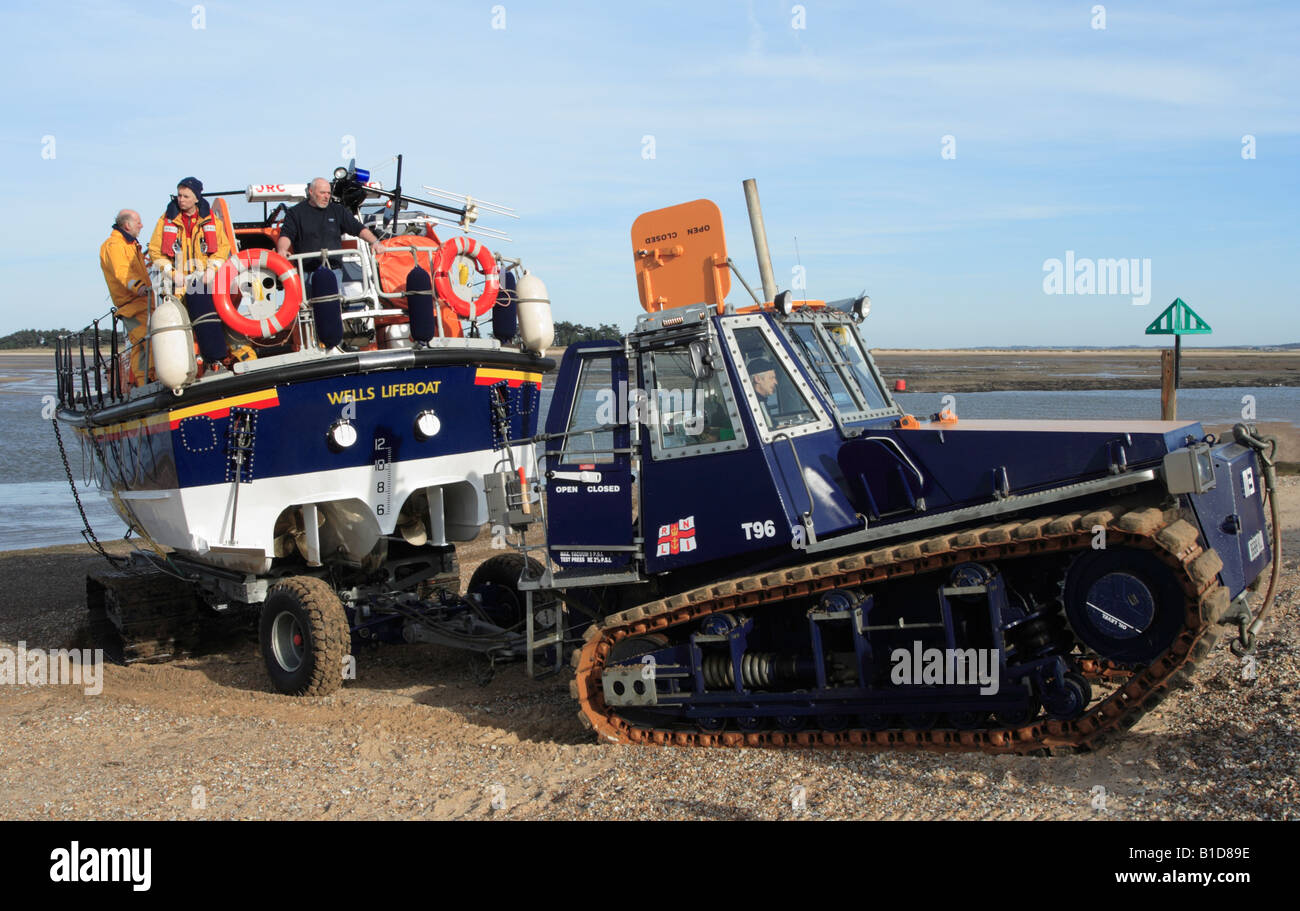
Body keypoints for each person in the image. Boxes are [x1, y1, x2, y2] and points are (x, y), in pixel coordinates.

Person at [276, 177, 384, 289]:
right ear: (311, 192)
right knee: (309, 306)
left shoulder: (338, 210)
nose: (326, 196)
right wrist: (282, 250)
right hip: (306, 274)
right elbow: (286, 235)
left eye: (328, 193)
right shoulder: (296, 212)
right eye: (322, 193)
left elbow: (358, 228)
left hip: (333, 271)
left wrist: (375, 241)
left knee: (332, 304)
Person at [147, 176, 230, 297]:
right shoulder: (165, 220)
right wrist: (172, 274)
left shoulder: (212, 220)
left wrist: (212, 270)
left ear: (196, 199)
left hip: (203, 287)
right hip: (175, 288)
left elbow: (223, 248)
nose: (181, 200)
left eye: (186, 196)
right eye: (179, 195)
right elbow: (155, 250)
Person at [98, 209, 151, 385]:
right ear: (127, 225)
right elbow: (122, 272)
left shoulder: (130, 245)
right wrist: (140, 288)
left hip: (142, 303)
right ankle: (150, 381)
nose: (141, 225)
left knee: (140, 347)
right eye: (138, 222)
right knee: (148, 342)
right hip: (132, 305)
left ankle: (144, 381)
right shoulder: (115, 246)